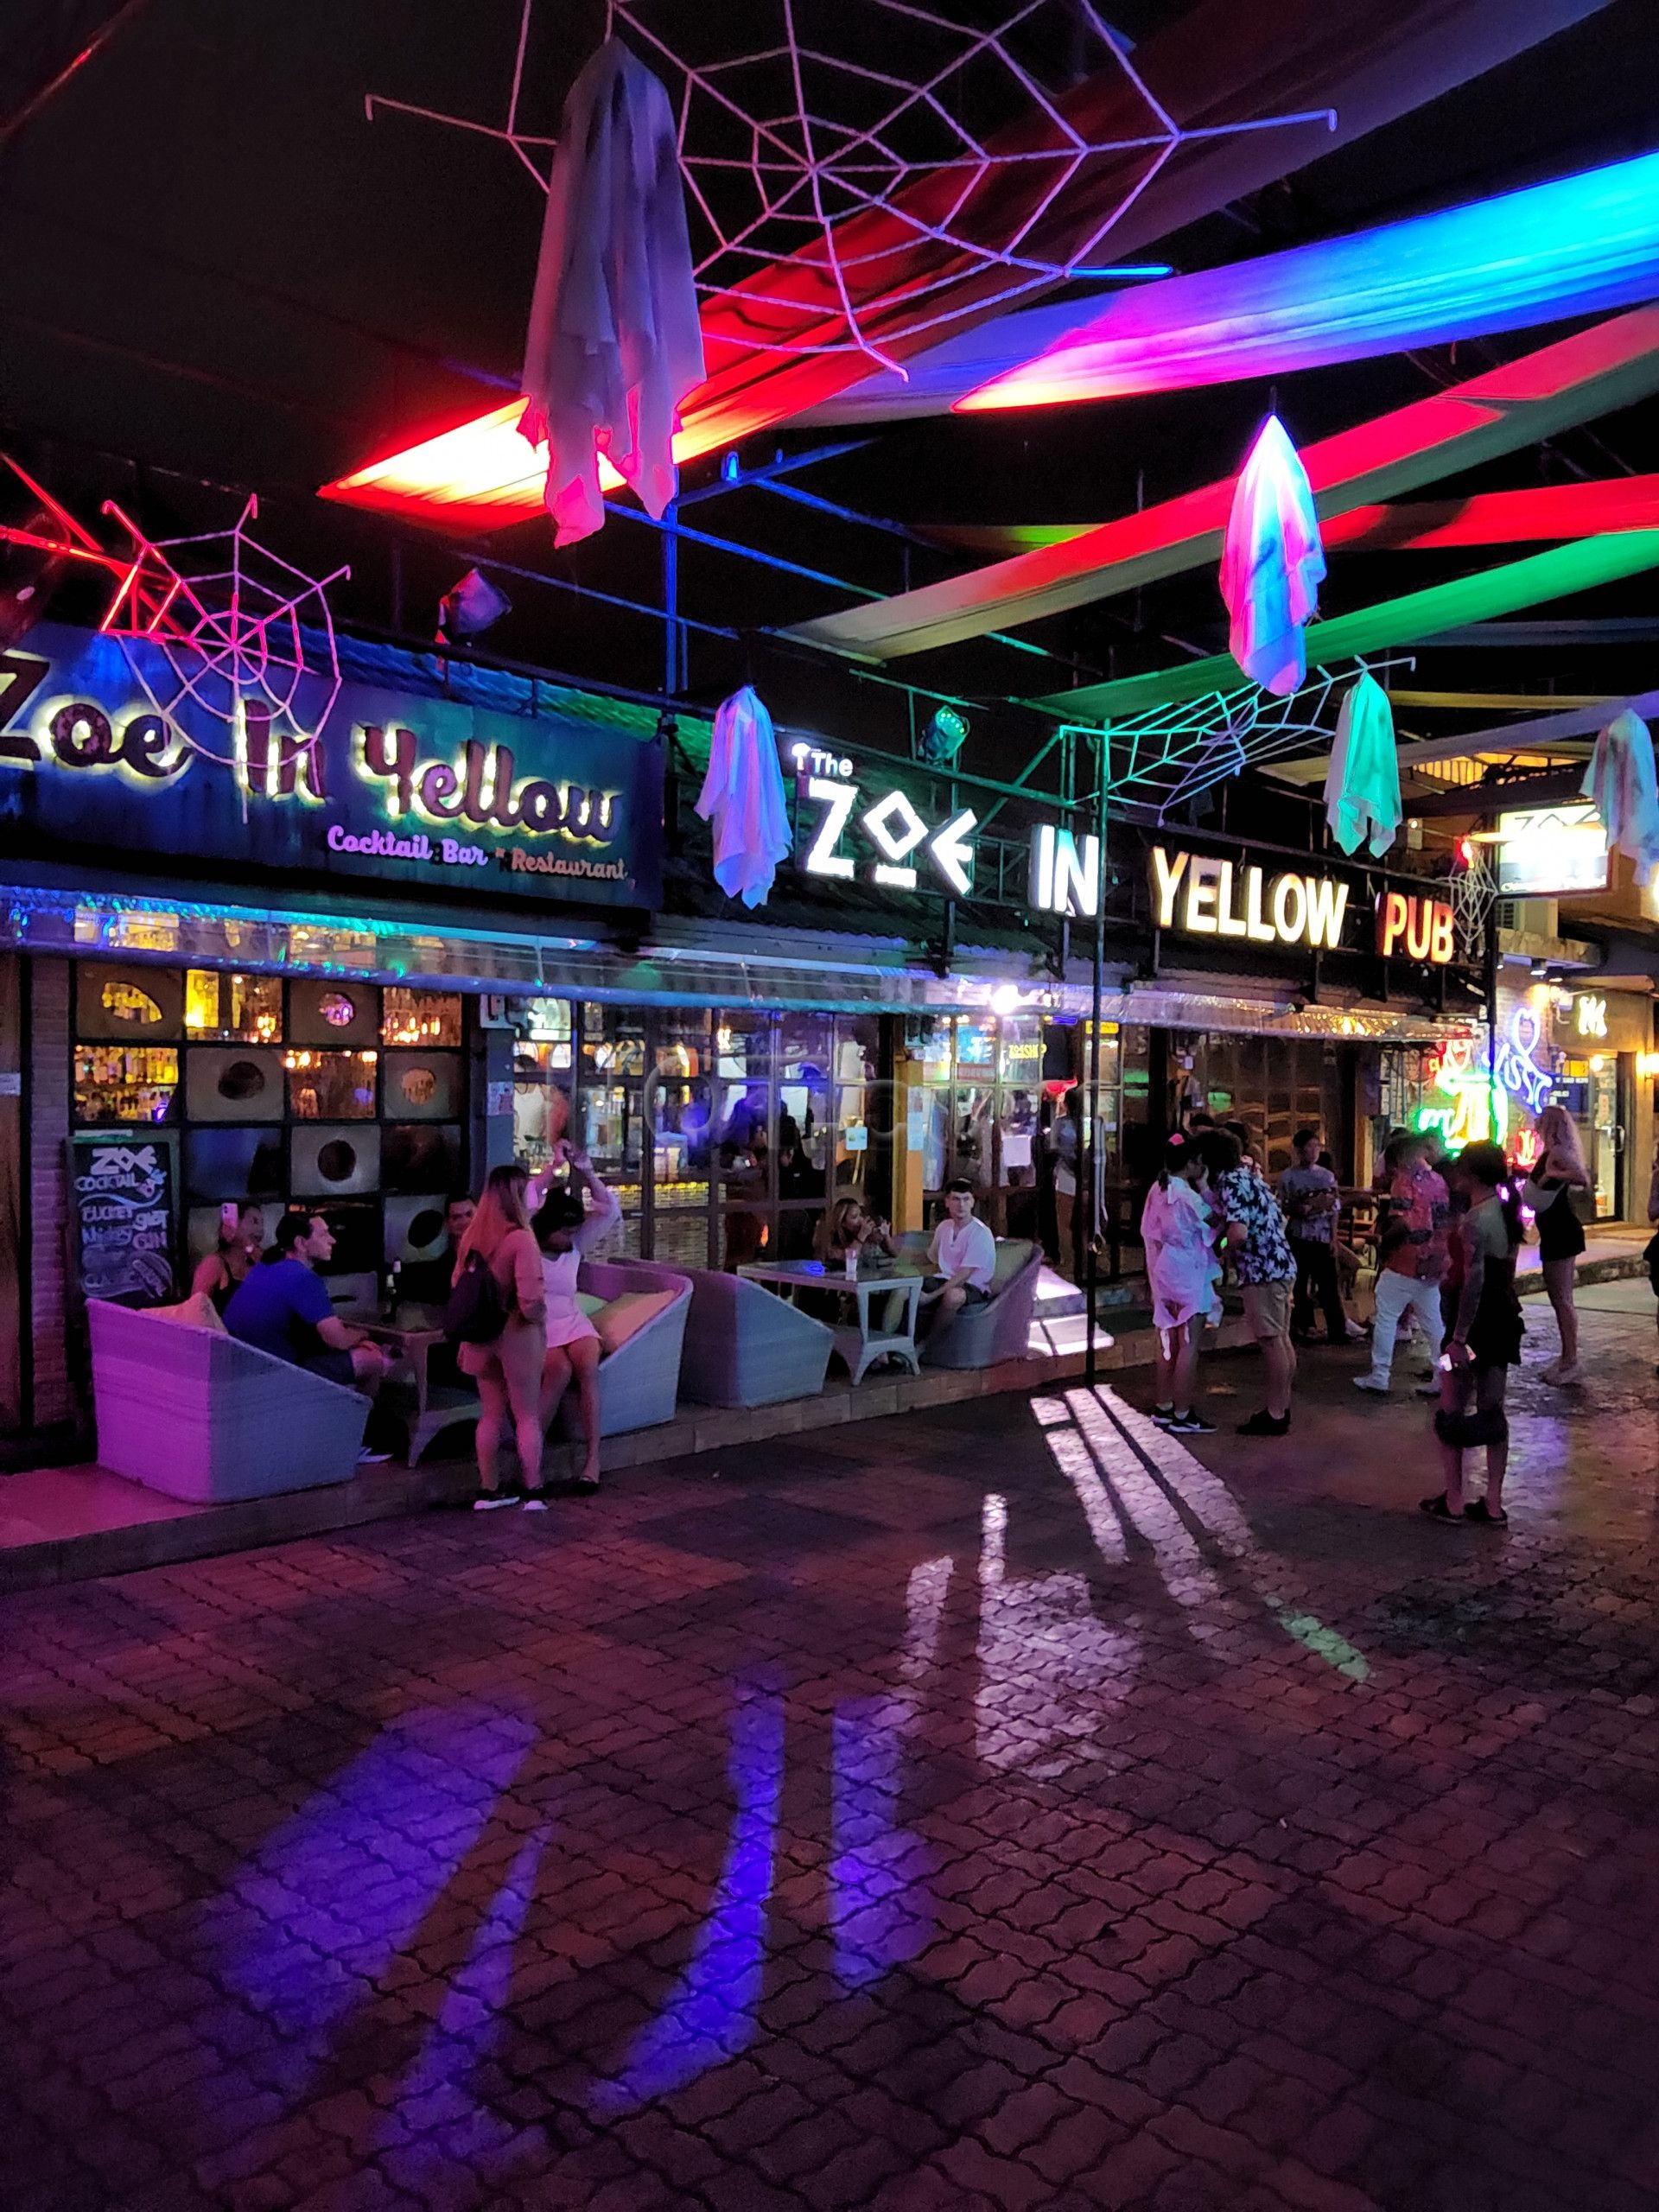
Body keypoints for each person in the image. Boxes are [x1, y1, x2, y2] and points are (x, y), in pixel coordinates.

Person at [1422, 1141, 1525, 1527]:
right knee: (1492, 1412)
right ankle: (1493, 1502)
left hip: (1470, 1327)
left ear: (1471, 1175)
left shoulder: (1474, 1221)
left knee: (1450, 1407)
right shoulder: (1507, 1214)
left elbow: (1472, 1285)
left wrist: (1459, 1338)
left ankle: (1453, 1499)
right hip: (1502, 1324)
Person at [452, 1164, 547, 1511]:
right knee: (526, 1415)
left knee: (490, 1414)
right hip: (516, 1334)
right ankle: (533, 1489)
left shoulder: (471, 1238)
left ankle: (487, 1489)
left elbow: (456, 1284)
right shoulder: (521, 1239)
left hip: (479, 1334)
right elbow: (530, 1301)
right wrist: (541, 1318)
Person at [225, 1212, 390, 1404]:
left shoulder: (264, 1267)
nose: (333, 1240)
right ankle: (361, 1424)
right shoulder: (302, 1277)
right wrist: (364, 1334)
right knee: (372, 1358)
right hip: (278, 1374)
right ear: (301, 1243)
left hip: (245, 1370)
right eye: (323, 1234)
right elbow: (338, 1341)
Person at [530, 1152, 619, 1492]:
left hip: (572, 1318)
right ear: (547, 1228)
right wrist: (552, 1168)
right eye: (563, 1232)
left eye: (572, 1232)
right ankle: (531, 1456)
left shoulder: (575, 1244)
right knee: (558, 1371)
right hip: (541, 1324)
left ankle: (592, 1459)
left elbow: (608, 1209)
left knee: (587, 1368)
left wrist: (587, 1170)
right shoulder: (528, 1245)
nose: (569, 1238)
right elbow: (527, 1198)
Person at [1205, 1124, 1298, 1436]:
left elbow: (1239, 1233)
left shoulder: (1230, 1182)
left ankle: (1274, 1413)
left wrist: (1217, 1249)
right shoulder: (1247, 1176)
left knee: (1271, 1341)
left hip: (1263, 1271)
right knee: (1281, 1338)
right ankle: (1281, 1407)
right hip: (1279, 1265)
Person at [1355, 1134, 1450, 1398]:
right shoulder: (1440, 1182)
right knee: (1435, 1327)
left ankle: (1380, 1375)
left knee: (1386, 1318)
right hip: (1433, 1262)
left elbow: (1402, 1223)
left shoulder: (1403, 1183)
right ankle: (1443, 1376)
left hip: (1404, 1261)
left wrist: (1384, 1243)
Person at [1140, 1131, 1222, 1434]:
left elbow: (1149, 1233)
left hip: (1164, 1268)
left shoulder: (1156, 1189)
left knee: (1167, 1342)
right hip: (1189, 1269)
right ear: (1191, 1163)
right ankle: (1184, 1412)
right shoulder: (1188, 1195)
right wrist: (1205, 1188)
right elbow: (1215, 1223)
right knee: (1189, 1344)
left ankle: (1164, 1405)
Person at [1523, 1104, 1589, 1385]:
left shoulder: (1559, 1153)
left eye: (1541, 1121)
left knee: (1562, 1299)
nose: (1535, 1124)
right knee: (1558, 1298)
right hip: (1554, 1231)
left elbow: (1582, 1179)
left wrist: (1552, 1175)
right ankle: (1566, 1357)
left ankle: (1571, 1359)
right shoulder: (1552, 1152)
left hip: (1562, 1231)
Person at [1279, 1128, 1361, 1344]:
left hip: (1321, 1237)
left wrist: (1333, 1238)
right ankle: (1305, 1326)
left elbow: (1334, 1209)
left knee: (1328, 1284)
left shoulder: (1326, 1176)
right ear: (1299, 1150)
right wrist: (1305, 1208)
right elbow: (1285, 1205)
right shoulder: (1289, 1177)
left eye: (1317, 1146)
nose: (1313, 1151)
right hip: (1298, 1235)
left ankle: (1337, 1329)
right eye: (1308, 1147)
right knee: (1300, 1283)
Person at [918, 1179, 995, 1336]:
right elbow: (930, 1257)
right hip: (943, 1278)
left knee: (953, 1296)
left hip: (973, 1286)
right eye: (956, 1199)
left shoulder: (980, 1232)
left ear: (973, 1202)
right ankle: (889, 1344)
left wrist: (931, 1296)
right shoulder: (944, 1227)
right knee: (903, 1288)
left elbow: (963, 1276)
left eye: (966, 1199)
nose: (961, 1205)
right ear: (947, 1202)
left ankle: (928, 1344)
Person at [399, 1193, 477, 1311]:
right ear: (447, 1224)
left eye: (469, 1214)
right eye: (456, 1217)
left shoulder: (490, 1256)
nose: (464, 1221)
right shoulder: (442, 1267)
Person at [191, 1200, 264, 1316]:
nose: (260, 1229)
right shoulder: (213, 1263)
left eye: (262, 1223)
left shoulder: (257, 1261)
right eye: (254, 1222)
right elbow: (196, 1311)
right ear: (233, 1224)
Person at [1051, 1086, 1084, 1279]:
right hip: (1088, 1177)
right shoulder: (1090, 1123)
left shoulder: (1061, 1124)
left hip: (1066, 1176)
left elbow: (1053, 1147)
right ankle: (1085, 1261)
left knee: (1064, 1222)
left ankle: (1068, 1262)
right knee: (1085, 1221)